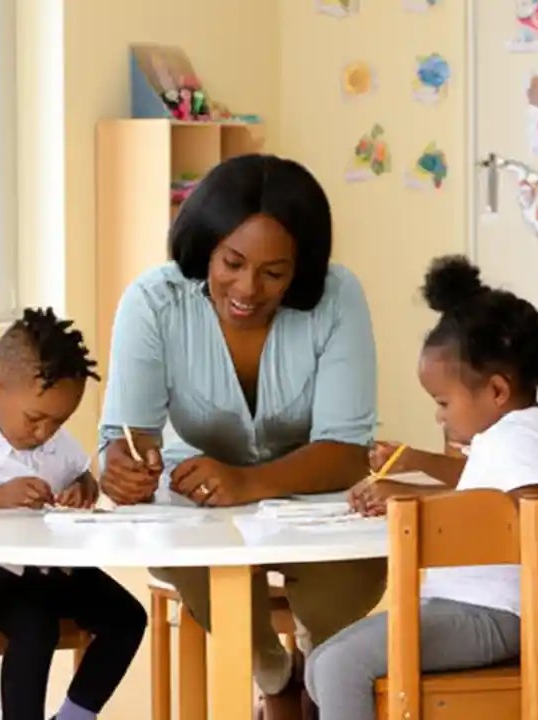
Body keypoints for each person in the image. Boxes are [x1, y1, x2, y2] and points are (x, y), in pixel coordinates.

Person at [97, 154, 386, 712]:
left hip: (317, 499)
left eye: (274, 273)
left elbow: (348, 453)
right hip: (198, 503)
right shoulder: (153, 301)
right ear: (205, 243)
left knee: (341, 595)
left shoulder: (338, 297)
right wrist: (123, 468)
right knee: (200, 565)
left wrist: (249, 482)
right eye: (231, 262)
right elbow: (125, 436)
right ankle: (275, 676)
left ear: (301, 268)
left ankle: (320, 666)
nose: (248, 289)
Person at [304, 255, 538, 719]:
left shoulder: (518, 437)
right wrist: (415, 464)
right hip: (481, 608)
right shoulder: (519, 431)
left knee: (336, 667)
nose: (439, 415)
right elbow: (486, 491)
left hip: (497, 615)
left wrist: (412, 501)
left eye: (444, 401)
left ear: (496, 391)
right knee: (323, 664)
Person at [0, 308, 146, 720]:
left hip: (47, 569)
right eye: (35, 420)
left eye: (58, 422)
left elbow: (82, 473)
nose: (43, 433)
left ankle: (74, 716)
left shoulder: (55, 441)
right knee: (36, 627)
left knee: (128, 617)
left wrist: (82, 489)